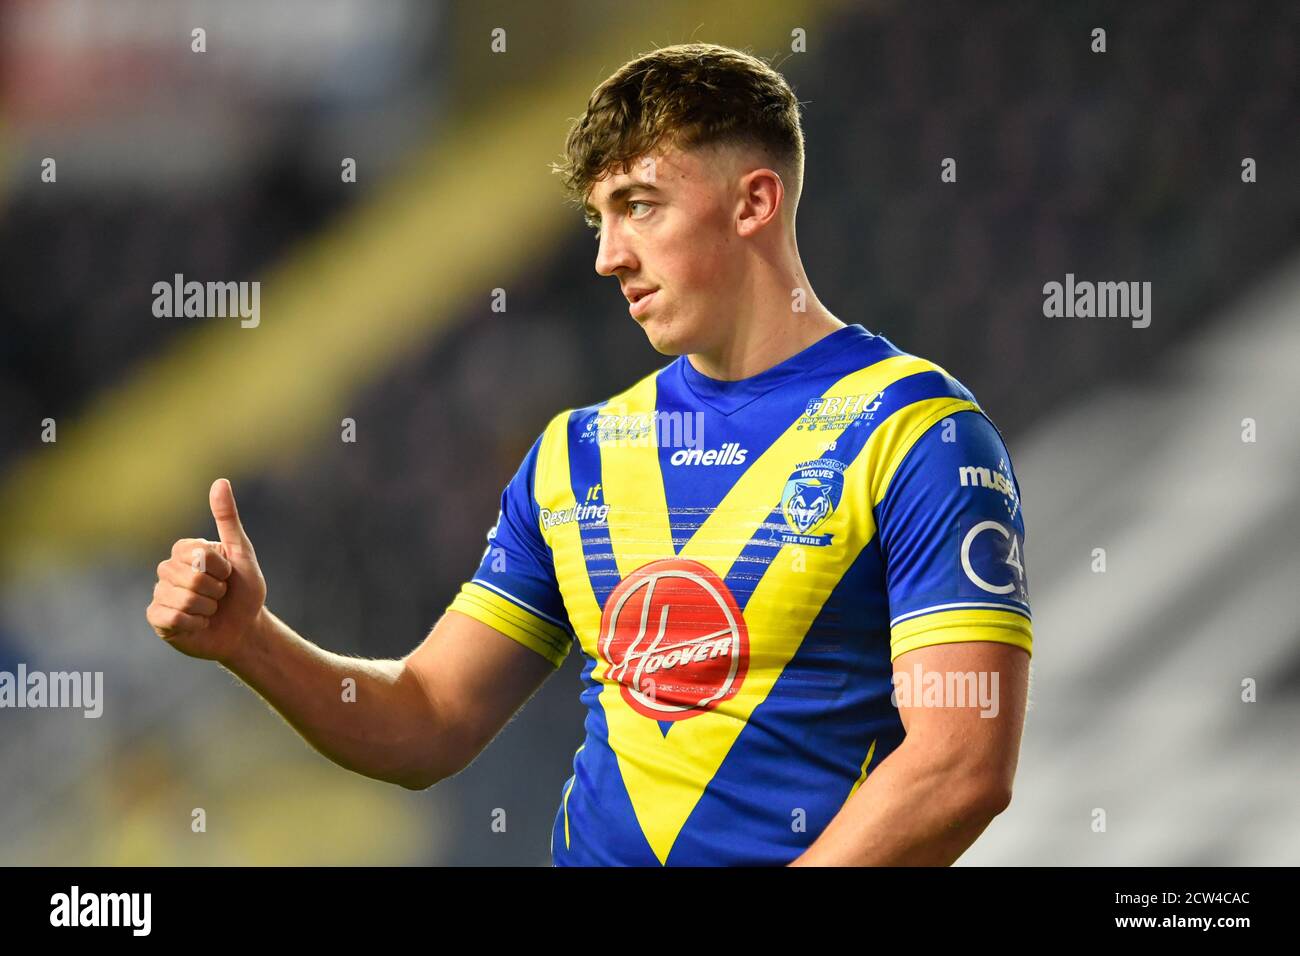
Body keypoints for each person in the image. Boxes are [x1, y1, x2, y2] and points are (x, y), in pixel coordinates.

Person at [146, 42, 1032, 866]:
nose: (610, 256)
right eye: (599, 217)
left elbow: (961, 768)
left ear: (754, 203)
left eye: (640, 206)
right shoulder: (577, 454)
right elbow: (427, 720)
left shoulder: (920, 436)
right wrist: (248, 640)